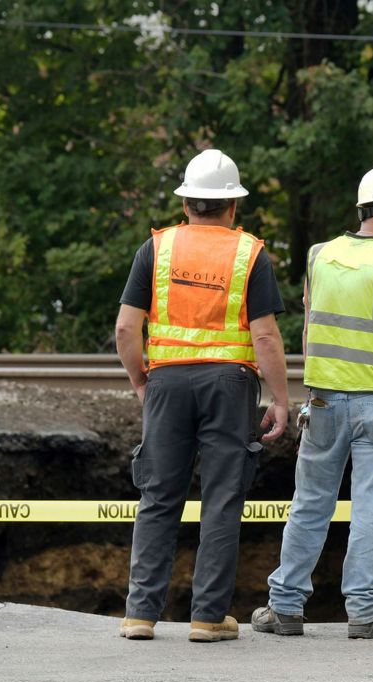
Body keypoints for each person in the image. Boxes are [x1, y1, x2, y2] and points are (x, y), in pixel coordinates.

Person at [251, 163, 373, 640]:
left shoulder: (319, 255)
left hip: (323, 403)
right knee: (370, 509)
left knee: (309, 505)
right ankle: (364, 613)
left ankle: (285, 607)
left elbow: (312, 324)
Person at [115, 149, 289, 642]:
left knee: (157, 496)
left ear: (187, 202)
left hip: (167, 383)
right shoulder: (249, 254)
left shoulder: (156, 249)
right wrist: (279, 398)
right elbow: (266, 337)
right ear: (233, 205)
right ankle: (208, 618)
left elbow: (127, 329)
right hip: (229, 386)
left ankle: (140, 615)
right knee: (220, 499)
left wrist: (142, 381)